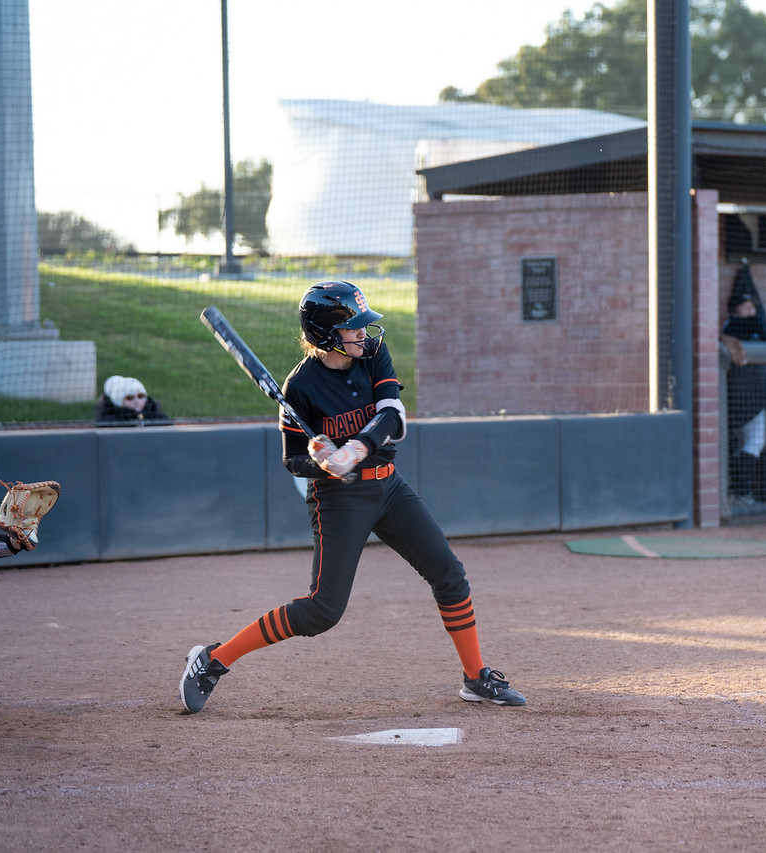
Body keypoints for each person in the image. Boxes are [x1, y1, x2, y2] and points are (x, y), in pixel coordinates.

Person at [180, 280, 525, 714]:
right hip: (339, 499)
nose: (364, 334)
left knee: (449, 573)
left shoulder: (374, 355)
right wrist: (320, 460)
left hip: (389, 485)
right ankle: (212, 660)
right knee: (322, 611)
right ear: (326, 334)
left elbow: (392, 416)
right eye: (353, 328)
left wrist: (354, 449)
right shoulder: (301, 387)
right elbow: (292, 460)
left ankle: (476, 678)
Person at [721, 268, 766, 504]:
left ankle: (739, 491)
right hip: (738, 396)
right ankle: (739, 491)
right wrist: (755, 320)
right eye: (746, 307)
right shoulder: (730, 327)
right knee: (749, 442)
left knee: (751, 442)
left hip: (751, 395)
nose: (752, 312)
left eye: (753, 307)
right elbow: (758, 330)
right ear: (734, 310)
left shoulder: (752, 326)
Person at [94, 375, 172, 426]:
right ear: (118, 402)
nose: (136, 401)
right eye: (130, 398)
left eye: (140, 396)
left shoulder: (160, 419)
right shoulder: (108, 423)